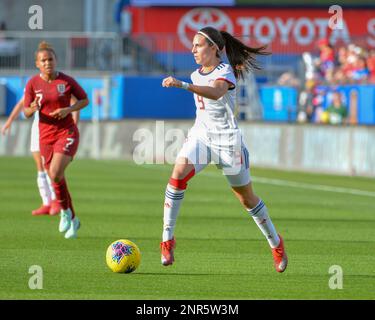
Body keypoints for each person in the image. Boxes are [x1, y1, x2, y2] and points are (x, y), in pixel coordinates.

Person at [160, 26, 288, 273]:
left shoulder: (224, 70)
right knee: (176, 175)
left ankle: (276, 243)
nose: (193, 49)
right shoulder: (196, 74)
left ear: (214, 48)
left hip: (228, 142)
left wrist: (182, 85)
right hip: (201, 137)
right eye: (193, 45)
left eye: (198, 45)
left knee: (247, 199)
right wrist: (187, 83)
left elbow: (218, 92)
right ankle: (167, 240)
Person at [23, 41, 89, 239]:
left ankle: (64, 212)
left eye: (50, 59)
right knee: (56, 177)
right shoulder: (33, 83)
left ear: (55, 60)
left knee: (55, 172)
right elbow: (25, 112)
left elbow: (84, 100)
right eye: (43, 60)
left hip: (67, 132)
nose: (47, 63)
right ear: (37, 64)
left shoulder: (66, 81)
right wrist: (33, 107)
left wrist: (68, 109)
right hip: (45, 137)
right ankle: (71, 216)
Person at [1, 95, 79, 215]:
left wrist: (74, 125)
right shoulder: (34, 84)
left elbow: (76, 103)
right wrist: (10, 121)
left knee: (50, 167)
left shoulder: (60, 82)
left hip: (56, 129)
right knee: (40, 168)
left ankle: (56, 201)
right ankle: (46, 203)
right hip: (38, 129)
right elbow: (22, 104)